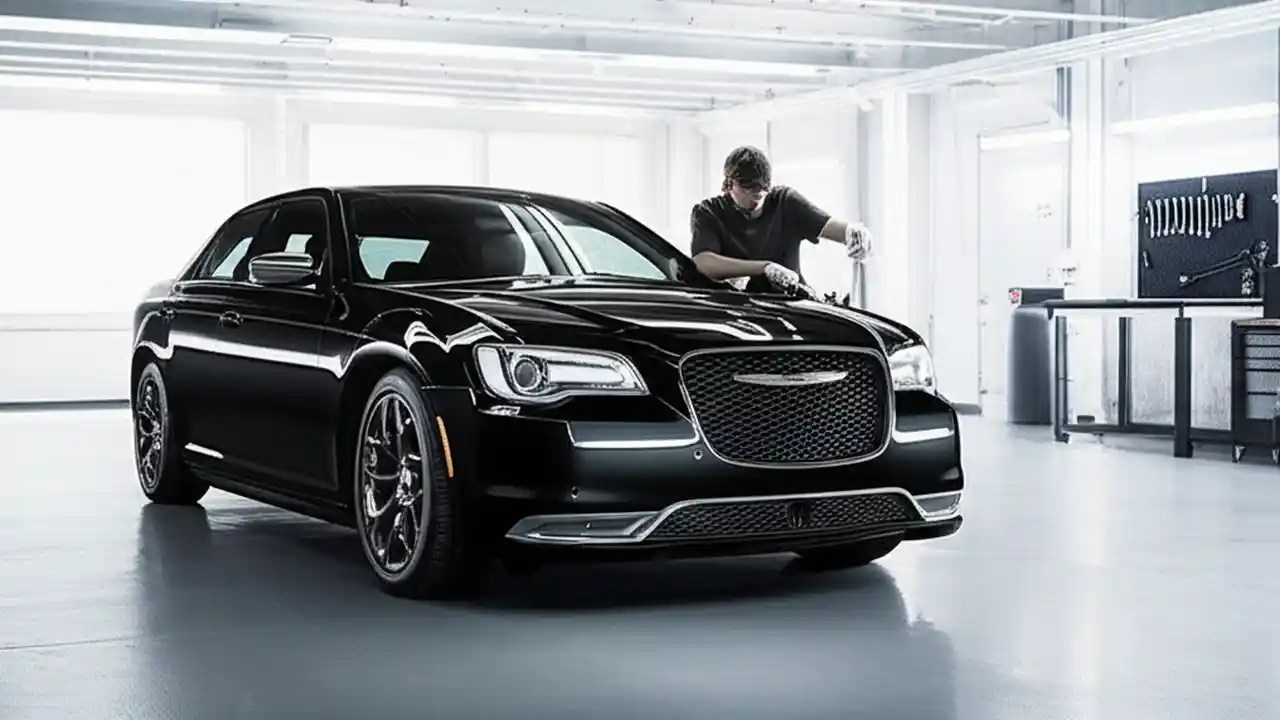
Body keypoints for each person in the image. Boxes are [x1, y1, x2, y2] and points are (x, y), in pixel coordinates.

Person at [689, 145, 872, 297]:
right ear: (729, 184)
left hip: (791, 304)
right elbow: (704, 263)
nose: (757, 198)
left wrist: (855, 233)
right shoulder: (708, 213)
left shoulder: (785, 202)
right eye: (748, 191)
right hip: (737, 311)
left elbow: (834, 228)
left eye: (762, 192)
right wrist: (764, 268)